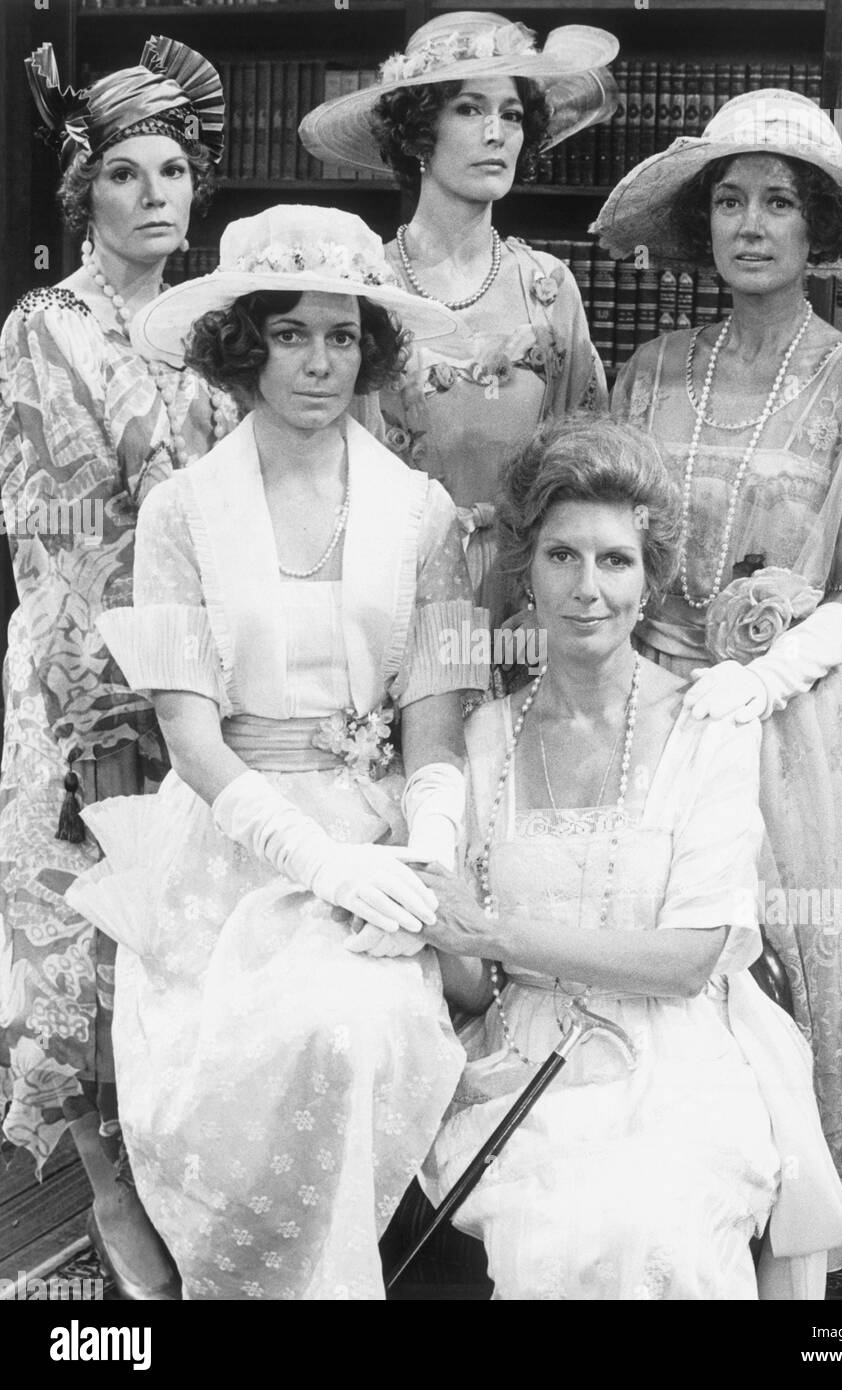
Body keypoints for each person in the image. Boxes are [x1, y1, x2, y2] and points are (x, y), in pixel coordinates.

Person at [65, 205, 490, 1300]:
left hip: (381, 837)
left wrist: (429, 846)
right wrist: (317, 861)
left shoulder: (424, 511)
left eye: (341, 336)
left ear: (369, 349)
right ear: (245, 345)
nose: (318, 362)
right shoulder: (181, 511)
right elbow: (188, 737)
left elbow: (435, 715)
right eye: (290, 333)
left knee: (359, 1028)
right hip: (232, 850)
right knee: (278, 1043)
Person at [390, 413, 842, 1300]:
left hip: (677, 1058)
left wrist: (488, 932)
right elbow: (472, 987)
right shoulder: (483, 739)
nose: (587, 589)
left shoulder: (708, 727)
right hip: (526, 1057)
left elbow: (688, 963)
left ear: (651, 580)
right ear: (526, 571)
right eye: (562, 556)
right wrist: (432, 923)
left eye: (615, 560)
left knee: (651, 1230)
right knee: (557, 1234)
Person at [593, 89, 842, 1213]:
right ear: (702, 223)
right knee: (648, 963)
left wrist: (770, 671)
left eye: (778, 202)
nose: (751, 224)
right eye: (730, 201)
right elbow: (609, 541)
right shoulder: (650, 367)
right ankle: (657, 1216)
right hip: (646, 706)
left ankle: (784, 1218)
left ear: (817, 227)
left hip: (788, 720)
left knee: (775, 967)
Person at [0, 36, 232, 1298]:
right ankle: (107, 1186)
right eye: (125, 175)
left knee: (192, 938)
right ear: (83, 193)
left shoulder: (221, 324)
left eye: (174, 172)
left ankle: (195, 1175)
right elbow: (60, 531)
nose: (154, 195)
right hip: (86, 669)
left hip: (211, 672)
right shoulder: (50, 326)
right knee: (89, 932)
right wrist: (99, 703)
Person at [299, 11, 614, 622]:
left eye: (512, 114)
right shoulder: (362, 287)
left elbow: (588, 464)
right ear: (420, 131)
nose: (496, 134)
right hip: (391, 586)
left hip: (532, 593)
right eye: (470, 109)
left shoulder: (549, 287)